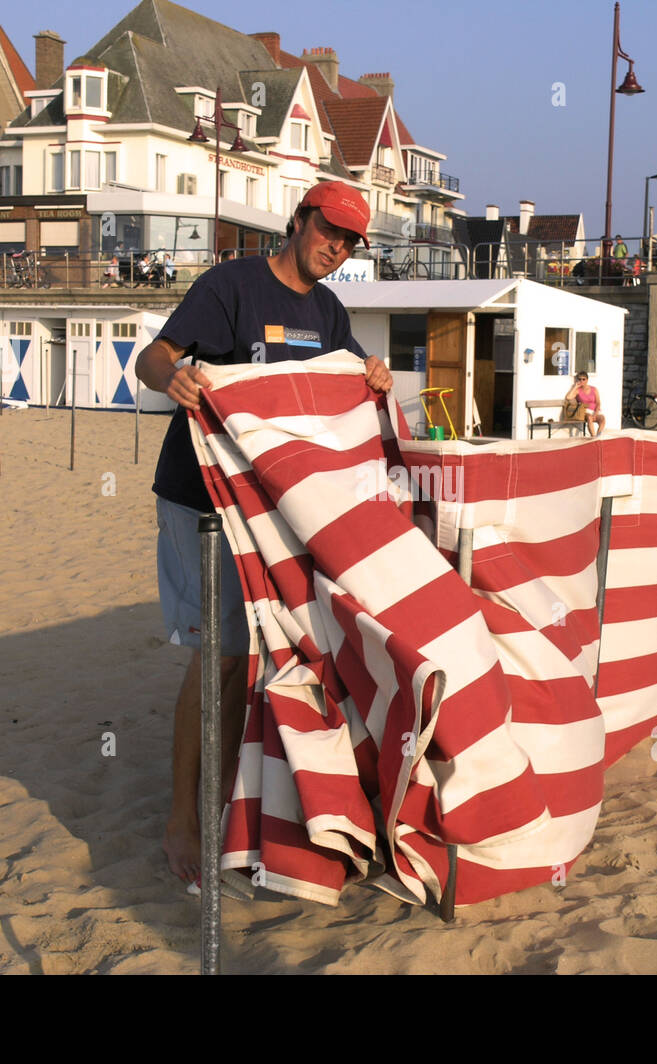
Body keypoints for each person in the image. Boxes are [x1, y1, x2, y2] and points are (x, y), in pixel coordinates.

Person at [134, 181, 393, 885]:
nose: (335, 248)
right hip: (199, 497)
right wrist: (177, 377)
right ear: (300, 220)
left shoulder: (329, 311)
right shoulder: (232, 286)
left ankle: (223, 796)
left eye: (348, 242)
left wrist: (371, 374)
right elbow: (150, 359)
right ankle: (182, 820)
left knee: (248, 659)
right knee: (215, 655)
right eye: (328, 230)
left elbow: (341, 385)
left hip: (268, 510)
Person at [564, 372, 606, 437]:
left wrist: (596, 413)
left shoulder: (594, 389)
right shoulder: (578, 390)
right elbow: (568, 397)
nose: (582, 381)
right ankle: (593, 437)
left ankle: (598, 436)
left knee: (602, 418)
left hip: (595, 410)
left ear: (587, 380)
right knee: (589, 418)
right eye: (580, 379)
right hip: (585, 411)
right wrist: (575, 387)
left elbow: (598, 403)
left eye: (584, 379)